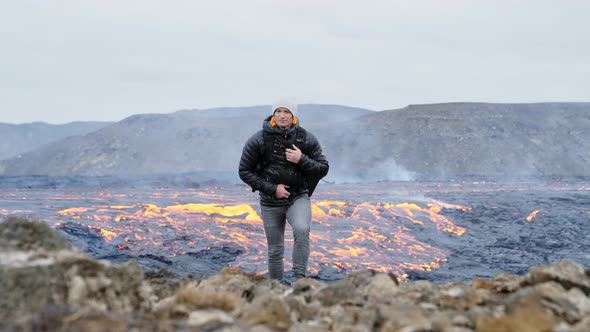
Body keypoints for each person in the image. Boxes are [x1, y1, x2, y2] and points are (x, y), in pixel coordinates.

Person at [239, 98, 329, 282]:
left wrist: (301, 159)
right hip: (270, 201)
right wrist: (273, 189)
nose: (282, 115)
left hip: (298, 196)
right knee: (275, 249)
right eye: (278, 111)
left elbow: (323, 168)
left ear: (293, 115)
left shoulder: (306, 138)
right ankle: (276, 288)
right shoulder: (259, 139)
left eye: (286, 111)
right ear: (273, 114)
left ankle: (299, 282)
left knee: (302, 230)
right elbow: (244, 171)